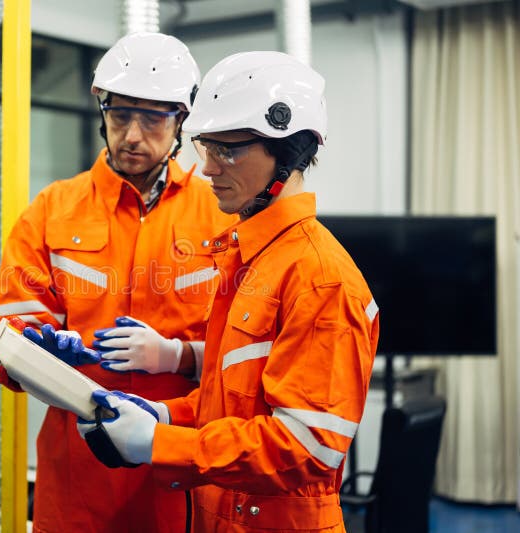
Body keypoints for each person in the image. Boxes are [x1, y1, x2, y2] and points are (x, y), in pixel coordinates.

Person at [74, 51, 381, 532]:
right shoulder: (250, 259)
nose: (210, 169)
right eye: (205, 148)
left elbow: (308, 447)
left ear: (290, 153)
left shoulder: (320, 278)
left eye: (229, 151)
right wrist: (164, 414)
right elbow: (231, 404)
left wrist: (161, 442)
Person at [0, 32, 234, 532]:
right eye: (121, 115)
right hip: (80, 481)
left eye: (153, 118)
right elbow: (6, 335)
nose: (133, 135)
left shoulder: (222, 216)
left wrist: (179, 356)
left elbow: (246, 357)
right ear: (102, 113)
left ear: (182, 121)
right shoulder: (53, 211)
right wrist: (39, 354)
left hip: (181, 473)